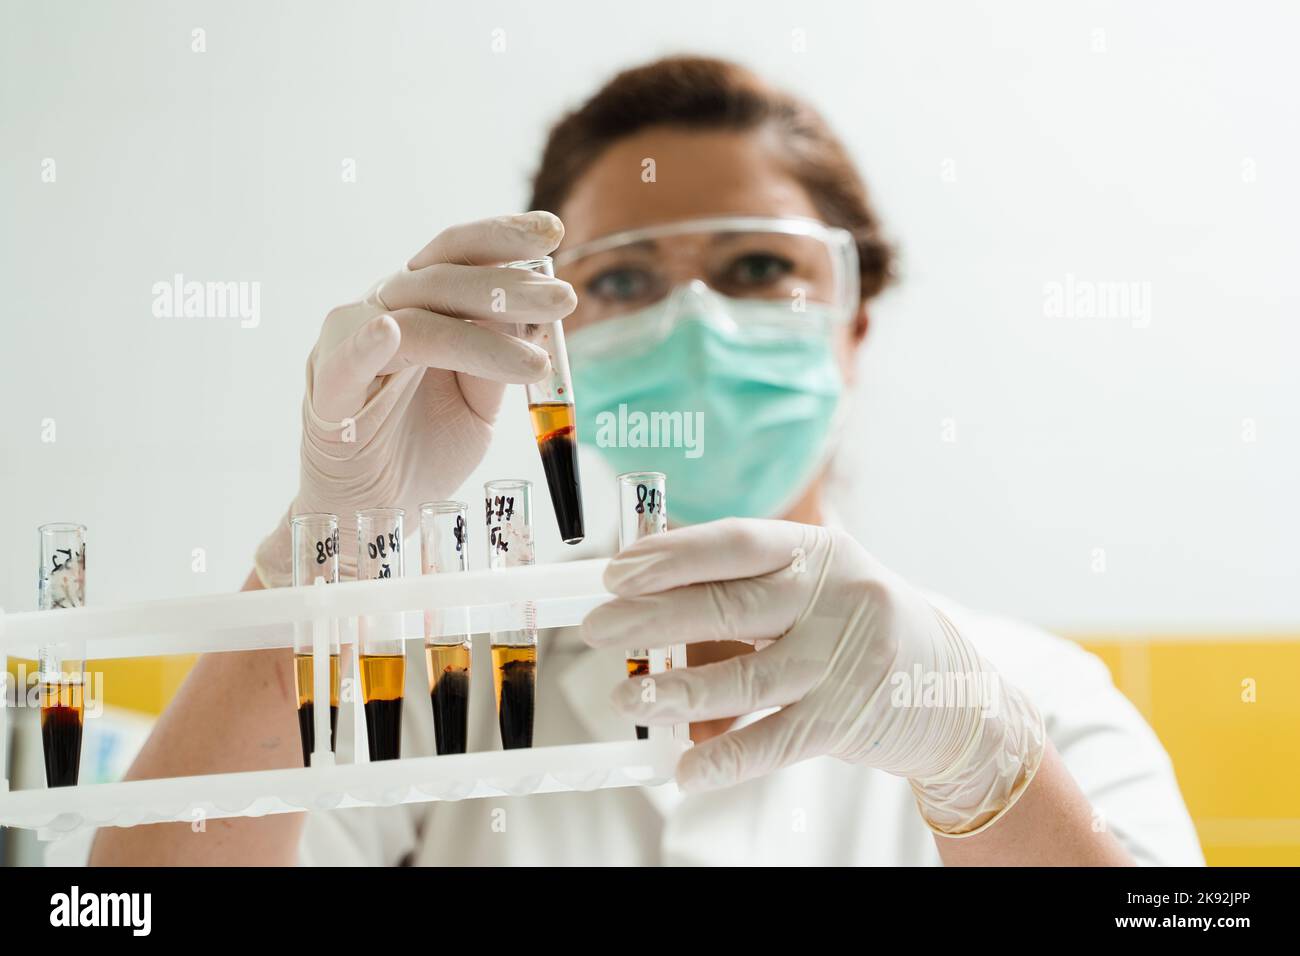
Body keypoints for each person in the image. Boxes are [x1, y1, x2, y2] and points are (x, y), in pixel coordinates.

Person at [86, 56, 1202, 866]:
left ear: (852, 327)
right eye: (622, 282)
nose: (696, 325)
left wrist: (979, 758)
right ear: (539, 340)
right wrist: (328, 569)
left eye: (759, 266)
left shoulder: (1037, 702)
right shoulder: (447, 693)